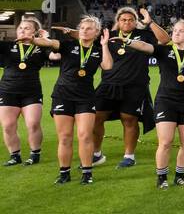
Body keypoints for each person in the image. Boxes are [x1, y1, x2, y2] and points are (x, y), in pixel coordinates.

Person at [116, 17, 184, 188]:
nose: (176, 33)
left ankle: (180, 175)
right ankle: (162, 178)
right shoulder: (163, 50)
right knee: (166, 142)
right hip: (165, 101)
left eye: (181, 31)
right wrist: (128, 41)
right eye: (174, 31)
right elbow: (145, 46)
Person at [31, 17, 113, 184]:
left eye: (89, 28)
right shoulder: (69, 45)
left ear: (96, 33)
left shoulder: (98, 50)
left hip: (85, 97)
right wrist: (32, 39)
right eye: (82, 27)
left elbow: (107, 66)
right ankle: (64, 173)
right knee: (65, 137)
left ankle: (87, 173)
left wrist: (104, 45)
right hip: (63, 95)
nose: (84, 30)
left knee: (84, 136)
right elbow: (49, 43)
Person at [92, 6, 155, 168]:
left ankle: (129, 156)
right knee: (96, 117)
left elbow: (163, 40)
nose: (127, 22)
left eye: (130, 20)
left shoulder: (144, 35)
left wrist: (149, 23)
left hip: (134, 85)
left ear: (136, 22)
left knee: (129, 119)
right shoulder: (109, 36)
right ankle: (96, 153)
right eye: (123, 20)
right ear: (118, 22)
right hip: (108, 84)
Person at [0, 17, 55, 166]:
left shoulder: (41, 48)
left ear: (35, 32)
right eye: (20, 28)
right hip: (7, 91)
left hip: (31, 92)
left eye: (27, 28)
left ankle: (35, 153)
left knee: (33, 124)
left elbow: (56, 55)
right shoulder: (7, 46)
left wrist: (46, 39)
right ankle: (14, 155)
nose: (22, 30)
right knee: (8, 126)